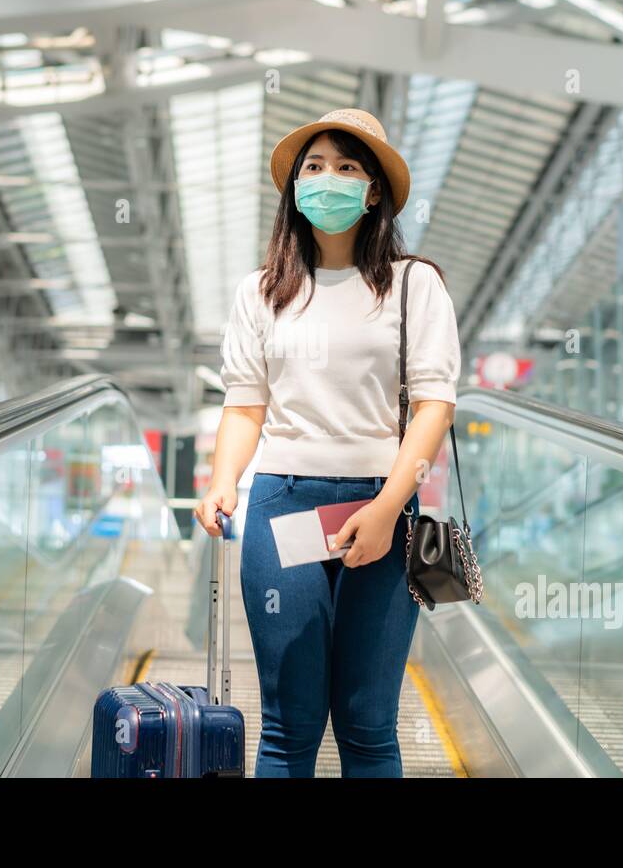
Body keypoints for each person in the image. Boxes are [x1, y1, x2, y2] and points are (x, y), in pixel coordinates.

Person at [194, 108, 460, 777]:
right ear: (294, 189)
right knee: (288, 723)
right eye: (314, 167)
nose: (328, 179)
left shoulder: (413, 284)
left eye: (348, 167)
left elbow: (434, 406)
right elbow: (244, 403)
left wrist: (387, 506)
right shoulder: (259, 293)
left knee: (368, 724)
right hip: (281, 507)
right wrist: (224, 478)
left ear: (374, 191)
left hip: (383, 505)